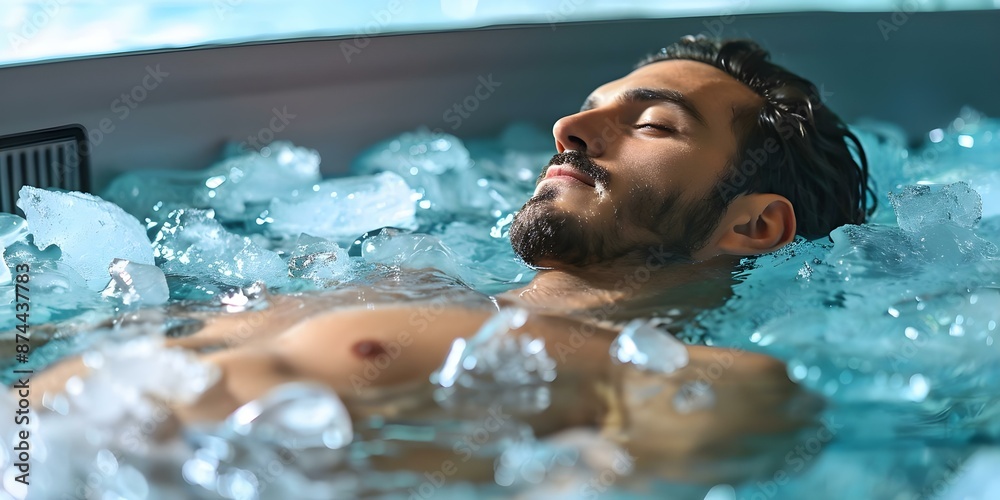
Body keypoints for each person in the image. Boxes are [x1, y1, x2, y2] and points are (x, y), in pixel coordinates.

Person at [29, 36, 873, 483]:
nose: (568, 132)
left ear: (755, 228)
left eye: (652, 124)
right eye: (587, 111)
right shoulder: (392, 282)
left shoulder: (708, 381)